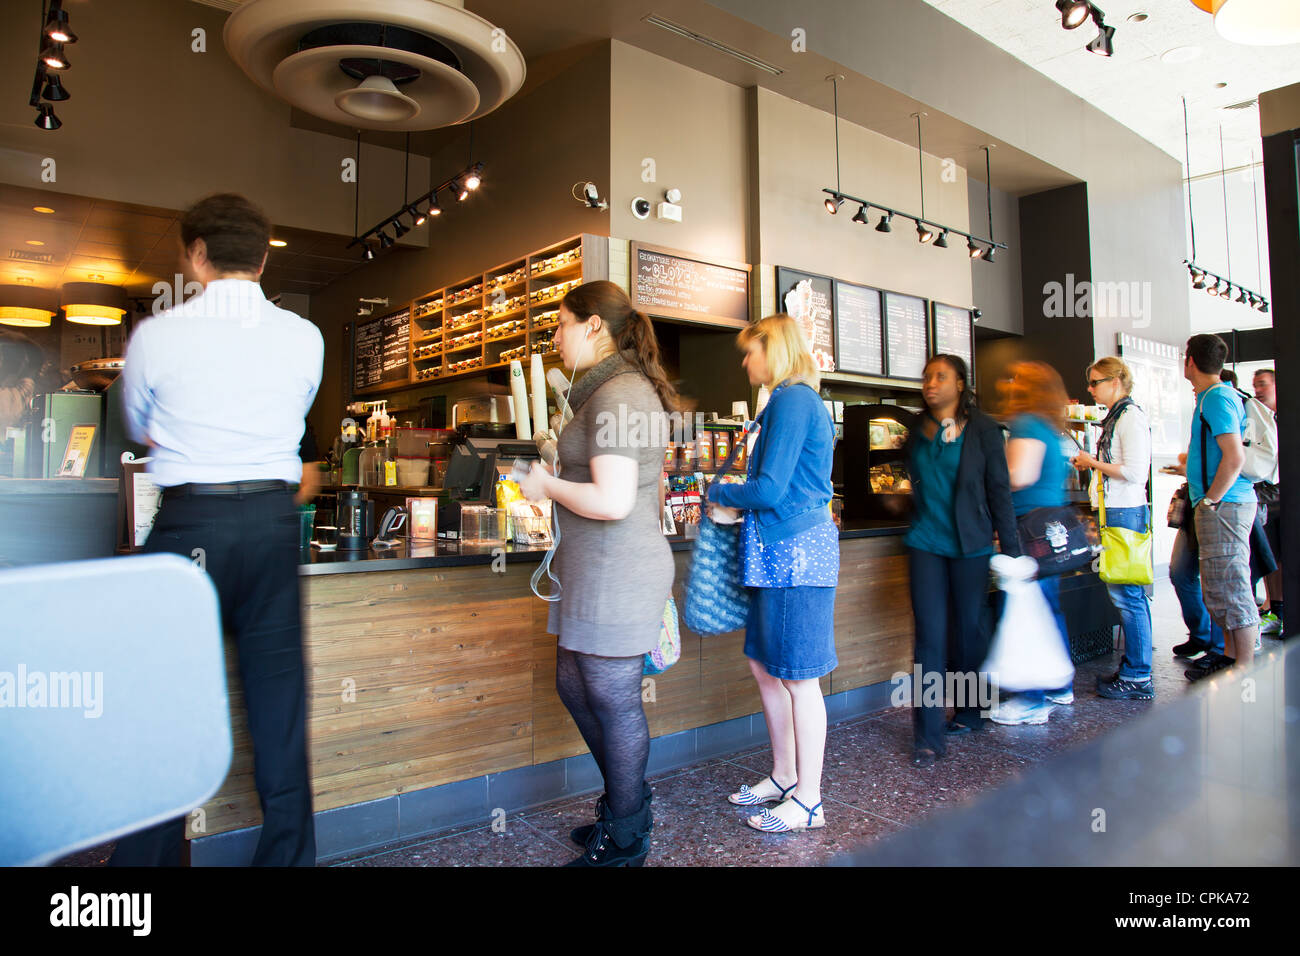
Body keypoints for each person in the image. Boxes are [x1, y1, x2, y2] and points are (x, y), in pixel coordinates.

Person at [113, 193, 323, 866]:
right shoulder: (304, 338)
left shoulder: (155, 336)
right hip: (270, 521)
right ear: (263, 258)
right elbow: (294, 419)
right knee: (279, 708)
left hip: (187, 523)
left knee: (166, 707)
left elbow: (137, 428)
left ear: (194, 255)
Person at [518, 280, 675, 866]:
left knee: (612, 698)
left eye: (560, 324)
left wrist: (545, 485)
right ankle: (625, 805)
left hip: (617, 571)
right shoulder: (604, 392)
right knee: (574, 685)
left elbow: (613, 501)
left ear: (592, 327)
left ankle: (629, 833)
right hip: (592, 569)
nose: (554, 337)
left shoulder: (621, 395)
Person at [704, 314, 837, 830]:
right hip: (780, 554)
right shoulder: (788, 400)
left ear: (773, 349)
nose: (744, 360)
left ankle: (810, 800)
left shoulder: (792, 400)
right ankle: (784, 775)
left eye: (750, 350)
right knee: (766, 667)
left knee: (800, 678)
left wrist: (719, 494)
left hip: (797, 557)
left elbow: (770, 490)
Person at [902, 354, 1019, 766]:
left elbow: (999, 489)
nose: (930, 383)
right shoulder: (916, 428)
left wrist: (1013, 547)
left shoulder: (985, 429)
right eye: (926, 377)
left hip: (971, 544)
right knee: (929, 638)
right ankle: (928, 736)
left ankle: (971, 711)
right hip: (926, 542)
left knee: (967, 631)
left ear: (961, 383)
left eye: (940, 376)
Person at [989, 361, 1073, 725]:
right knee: (1048, 607)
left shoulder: (1025, 423)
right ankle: (1058, 686)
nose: (1008, 385)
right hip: (1050, 530)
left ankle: (1030, 701)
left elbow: (1019, 475)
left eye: (1015, 380)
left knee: (1024, 613)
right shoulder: (1048, 426)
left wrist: (987, 476)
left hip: (1026, 531)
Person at [1071, 357, 1154, 700]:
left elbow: (1136, 472)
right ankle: (1136, 668)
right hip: (1118, 512)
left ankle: (1137, 676)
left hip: (1125, 513)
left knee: (1129, 597)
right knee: (1129, 595)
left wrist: (1092, 463)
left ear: (1116, 382)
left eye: (1095, 382)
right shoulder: (1118, 416)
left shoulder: (1130, 418)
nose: (1090, 389)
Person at [1180, 334, 1259, 680]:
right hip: (1220, 504)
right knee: (1219, 584)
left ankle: (1243, 667)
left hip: (1225, 505)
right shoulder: (1214, 397)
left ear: (1190, 361)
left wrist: (1211, 499)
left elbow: (1235, 456)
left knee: (1232, 583)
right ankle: (1229, 656)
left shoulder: (1216, 398)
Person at [1253, 368, 1283, 636]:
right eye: (1255, 385)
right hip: (1265, 495)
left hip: (1282, 494)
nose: (1258, 390)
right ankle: (1277, 612)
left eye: (1263, 384)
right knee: (1271, 557)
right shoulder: (1260, 419)